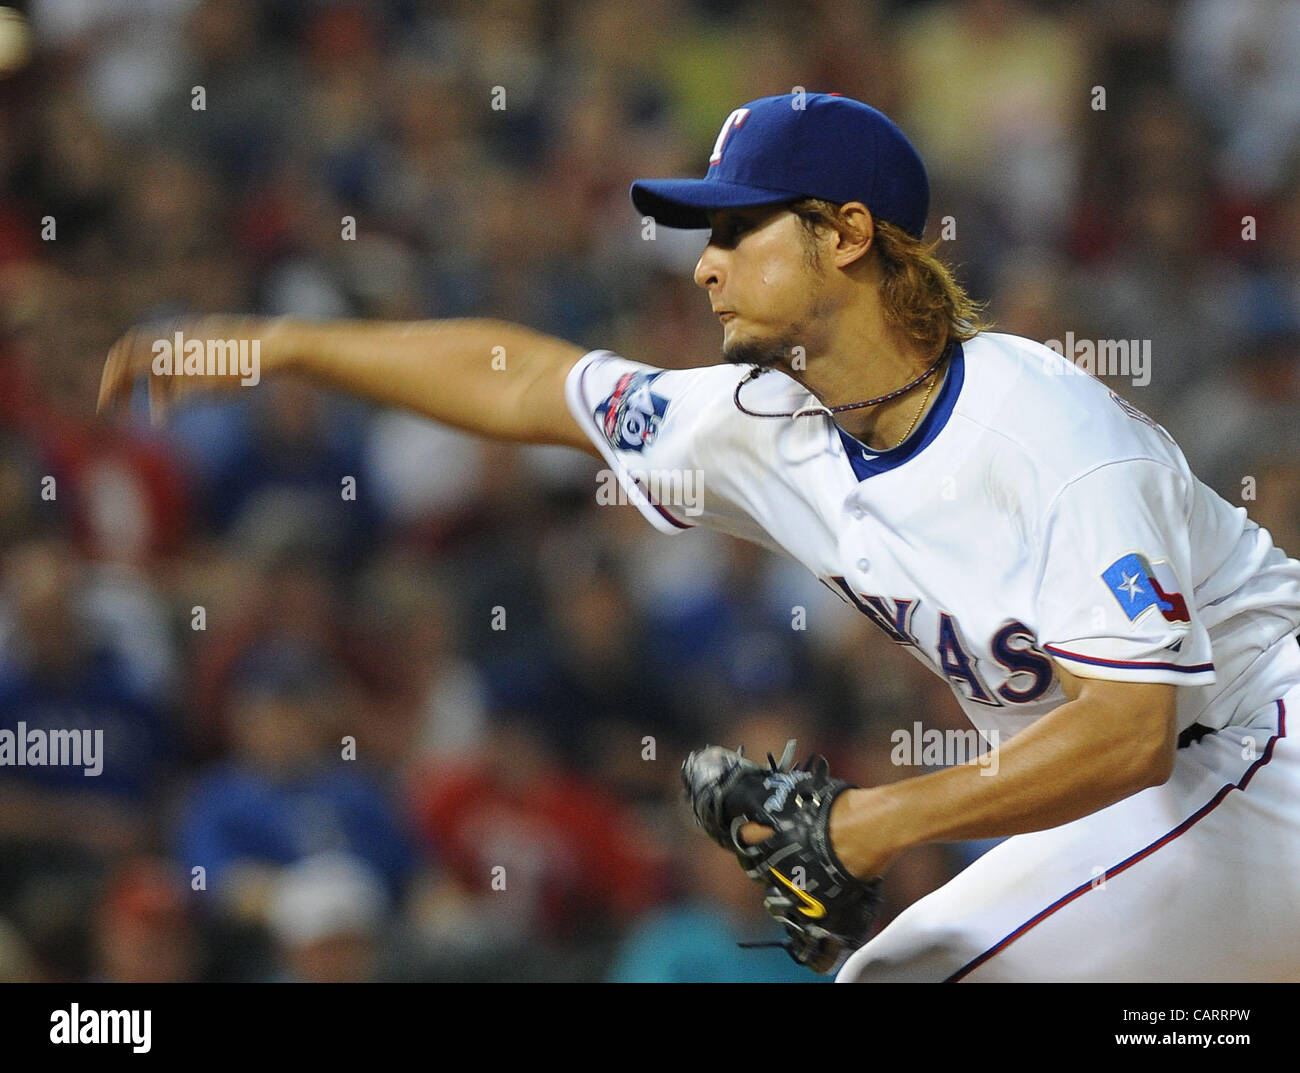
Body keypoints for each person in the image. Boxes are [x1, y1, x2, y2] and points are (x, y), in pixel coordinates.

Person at [98, 93, 1300, 981]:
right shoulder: (758, 418)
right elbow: (528, 380)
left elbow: (1132, 730)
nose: (707, 265)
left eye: (735, 231)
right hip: (1172, 788)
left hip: (1263, 748)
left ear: (843, 235)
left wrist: (870, 820)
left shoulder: (1039, 424)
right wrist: (296, 345)